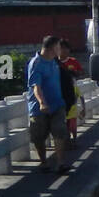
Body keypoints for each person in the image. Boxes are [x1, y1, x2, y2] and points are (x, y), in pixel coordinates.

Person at [26, 35, 69, 175]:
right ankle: (44, 162)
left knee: (59, 131)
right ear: (52, 48)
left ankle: (61, 163)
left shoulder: (54, 61)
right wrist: (42, 102)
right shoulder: (36, 63)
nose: (60, 50)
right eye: (58, 47)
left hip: (57, 104)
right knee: (39, 137)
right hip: (39, 108)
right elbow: (36, 87)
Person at [58, 39, 83, 147]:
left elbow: (81, 72)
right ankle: (66, 140)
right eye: (62, 48)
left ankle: (73, 139)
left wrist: (73, 73)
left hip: (72, 92)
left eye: (66, 48)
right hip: (59, 93)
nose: (64, 51)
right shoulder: (54, 62)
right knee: (62, 120)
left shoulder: (73, 61)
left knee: (71, 118)